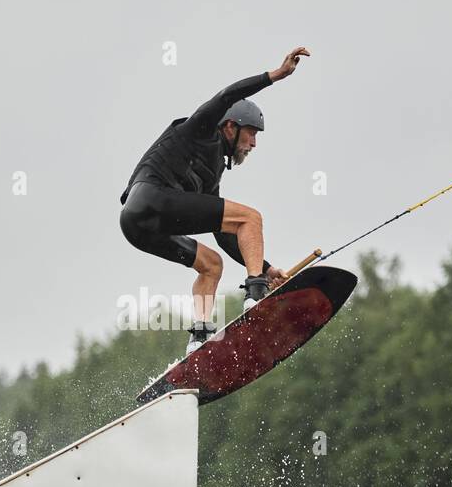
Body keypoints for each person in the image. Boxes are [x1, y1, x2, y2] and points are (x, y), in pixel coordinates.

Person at [119, 46, 310, 357]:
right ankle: (256, 294)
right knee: (251, 217)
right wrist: (276, 75)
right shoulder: (202, 129)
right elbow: (225, 96)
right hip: (150, 197)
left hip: (138, 225)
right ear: (230, 127)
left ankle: (199, 338)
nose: (254, 143)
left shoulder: (212, 174)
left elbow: (223, 234)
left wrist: (266, 266)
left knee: (211, 264)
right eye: (251, 134)